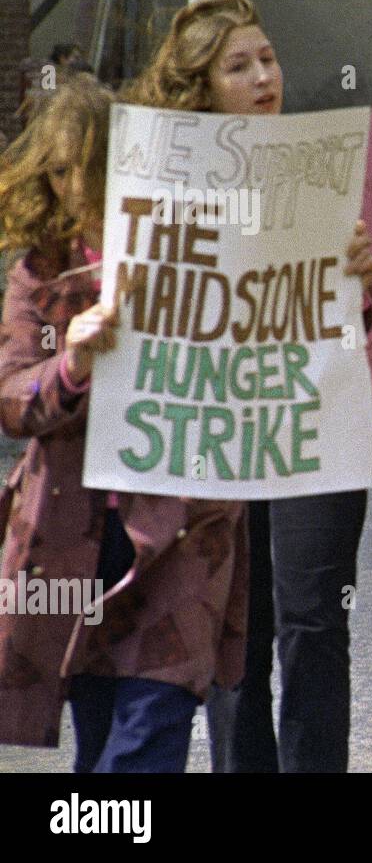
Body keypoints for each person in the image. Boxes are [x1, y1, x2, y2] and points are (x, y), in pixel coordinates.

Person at [124, 0, 372, 773]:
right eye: (240, 65)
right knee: (234, 631)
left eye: (267, 57)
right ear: (202, 88)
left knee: (314, 621)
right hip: (218, 430)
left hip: (315, 419)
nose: (264, 74)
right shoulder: (160, 188)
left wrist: (365, 277)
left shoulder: (326, 169)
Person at [0, 78, 248, 772]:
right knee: (102, 734)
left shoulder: (197, 246)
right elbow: (14, 400)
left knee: (153, 724)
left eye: (96, 166)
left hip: (184, 525)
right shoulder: (40, 274)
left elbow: (292, 339)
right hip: (78, 534)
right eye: (59, 170)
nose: (79, 187)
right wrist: (71, 363)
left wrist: (348, 280)